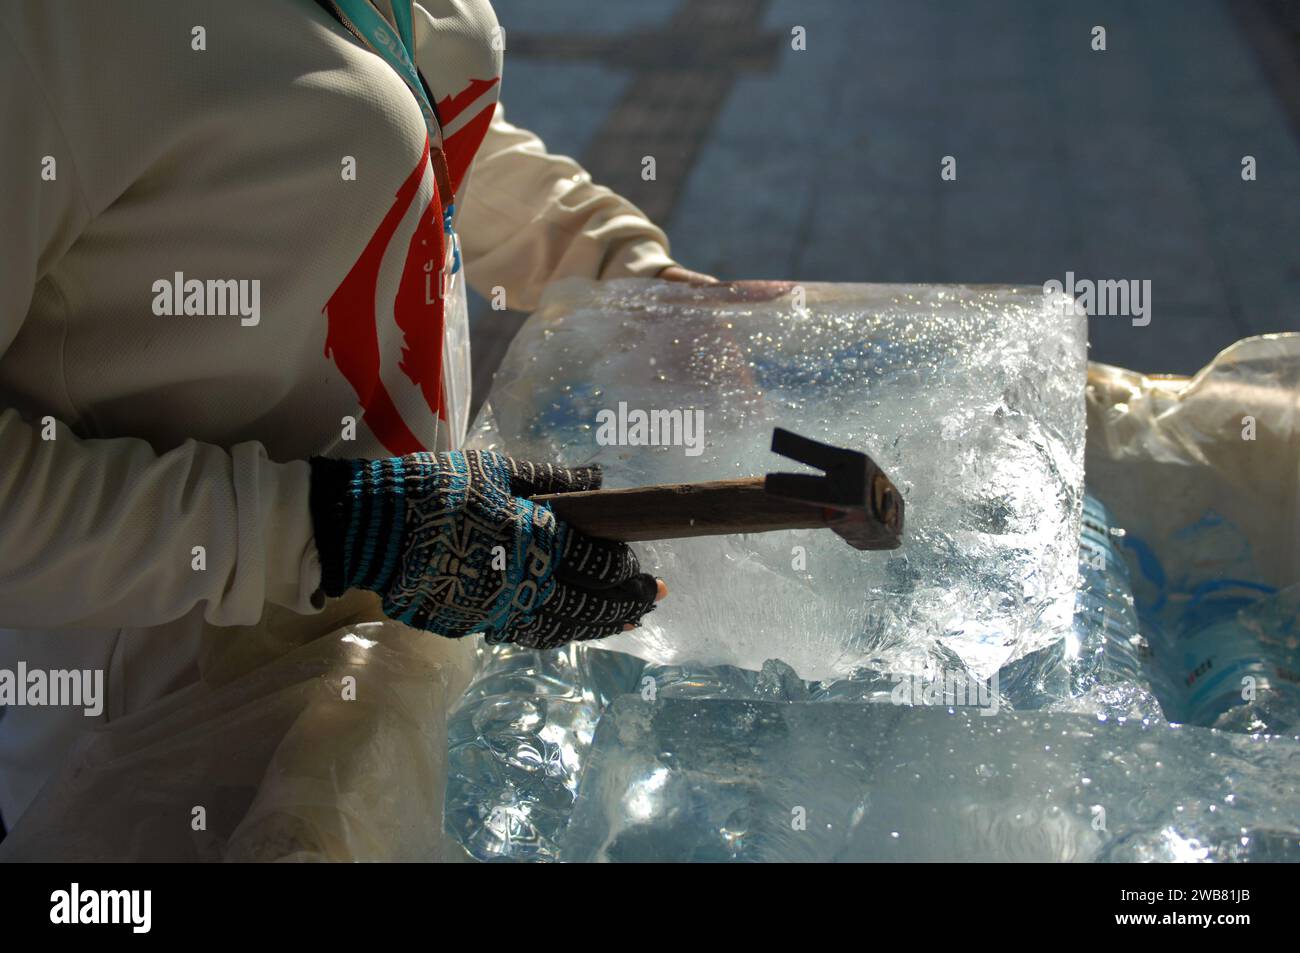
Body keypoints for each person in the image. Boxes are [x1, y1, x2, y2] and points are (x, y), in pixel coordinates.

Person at [0, 0, 710, 830]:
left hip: (380, 687)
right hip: (167, 764)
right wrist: (329, 530)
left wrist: (615, 265)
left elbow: (423, 114)